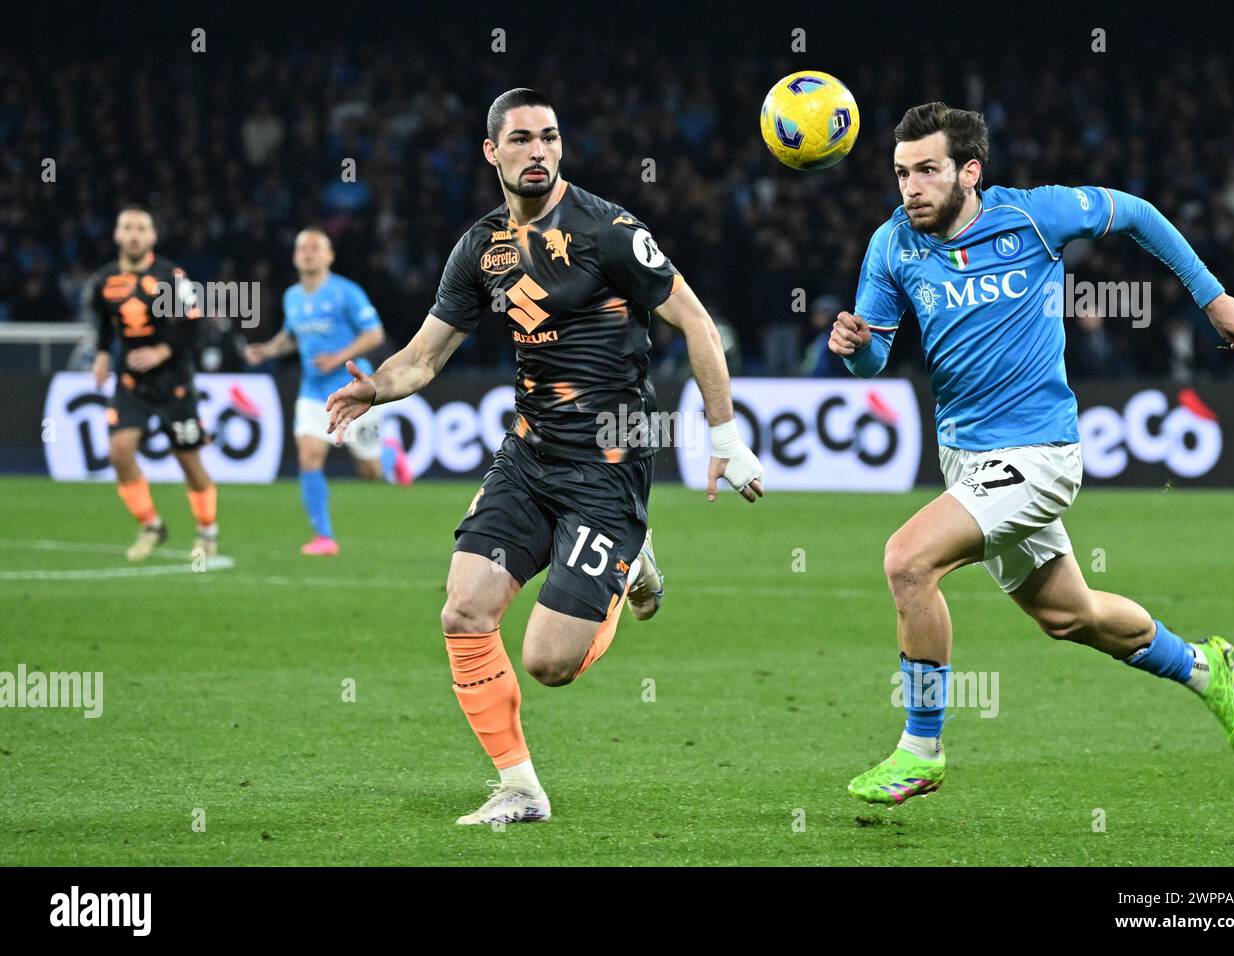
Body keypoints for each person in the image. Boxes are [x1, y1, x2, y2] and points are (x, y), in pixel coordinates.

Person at [326, 88, 764, 825]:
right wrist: (376, 387)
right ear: (491, 152)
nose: (539, 151)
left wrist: (725, 436)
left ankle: (630, 562)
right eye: (522, 139)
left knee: (549, 663)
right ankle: (520, 788)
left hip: (608, 463)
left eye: (550, 137)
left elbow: (696, 322)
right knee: (464, 610)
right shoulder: (481, 248)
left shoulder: (609, 231)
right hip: (528, 455)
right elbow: (424, 358)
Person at [829, 103, 1234, 805]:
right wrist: (854, 349)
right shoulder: (892, 245)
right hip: (966, 459)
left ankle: (920, 749)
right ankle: (1202, 666)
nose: (911, 188)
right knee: (1069, 616)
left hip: (1037, 455)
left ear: (970, 171)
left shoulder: (1034, 216)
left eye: (928, 170)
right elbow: (873, 355)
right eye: (902, 173)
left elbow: (1138, 214)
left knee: (908, 561)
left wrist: (1212, 298)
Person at [244, 228, 409, 556]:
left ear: (329, 256)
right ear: (294, 256)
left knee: (370, 471)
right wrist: (268, 350)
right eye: (302, 248)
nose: (308, 252)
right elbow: (291, 336)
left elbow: (374, 334)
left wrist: (337, 357)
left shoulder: (346, 292)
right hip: (312, 391)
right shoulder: (292, 296)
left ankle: (390, 455)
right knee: (309, 456)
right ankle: (324, 537)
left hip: (354, 390)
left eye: (315, 247)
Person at [88, 205, 218, 560]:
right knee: (119, 452)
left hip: (174, 381)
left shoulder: (171, 277)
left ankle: (207, 531)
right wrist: (102, 354)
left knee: (187, 459)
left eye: (141, 228)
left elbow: (195, 326)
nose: (134, 234)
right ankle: (151, 525)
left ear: (153, 236)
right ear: (117, 234)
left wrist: (162, 351)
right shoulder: (105, 280)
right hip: (132, 381)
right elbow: (104, 323)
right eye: (127, 227)